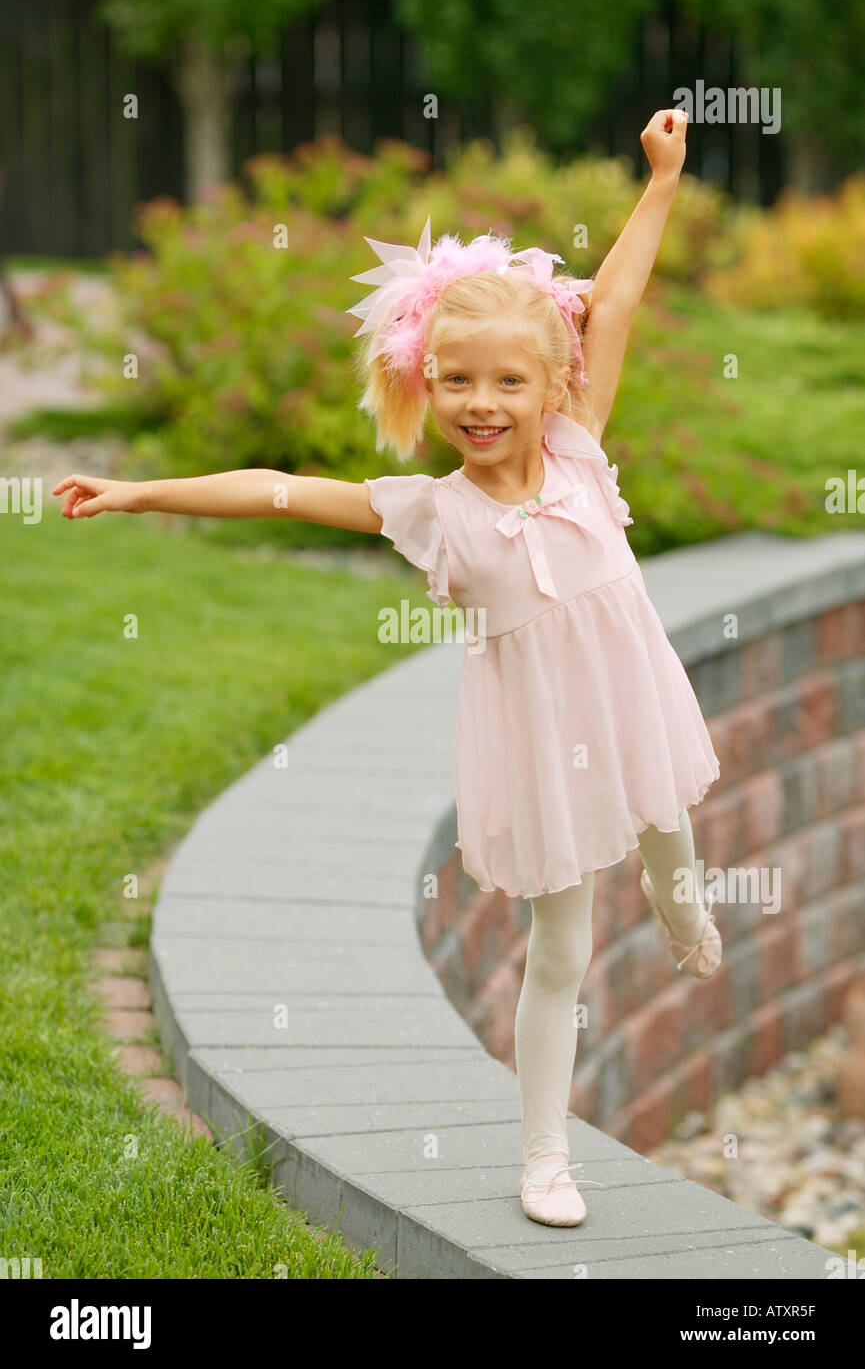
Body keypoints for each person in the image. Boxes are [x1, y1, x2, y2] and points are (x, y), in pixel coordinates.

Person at [54, 107, 722, 1232]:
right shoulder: (432, 514)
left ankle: (686, 909)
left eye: (507, 383)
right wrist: (138, 491)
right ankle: (545, 1153)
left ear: (550, 383)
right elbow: (276, 489)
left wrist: (658, 181)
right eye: (456, 381)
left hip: (634, 697)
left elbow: (612, 298)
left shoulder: (577, 441)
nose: (480, 405)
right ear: (428, 379)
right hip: (540, 742)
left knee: (670, 839)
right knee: (562, 945)